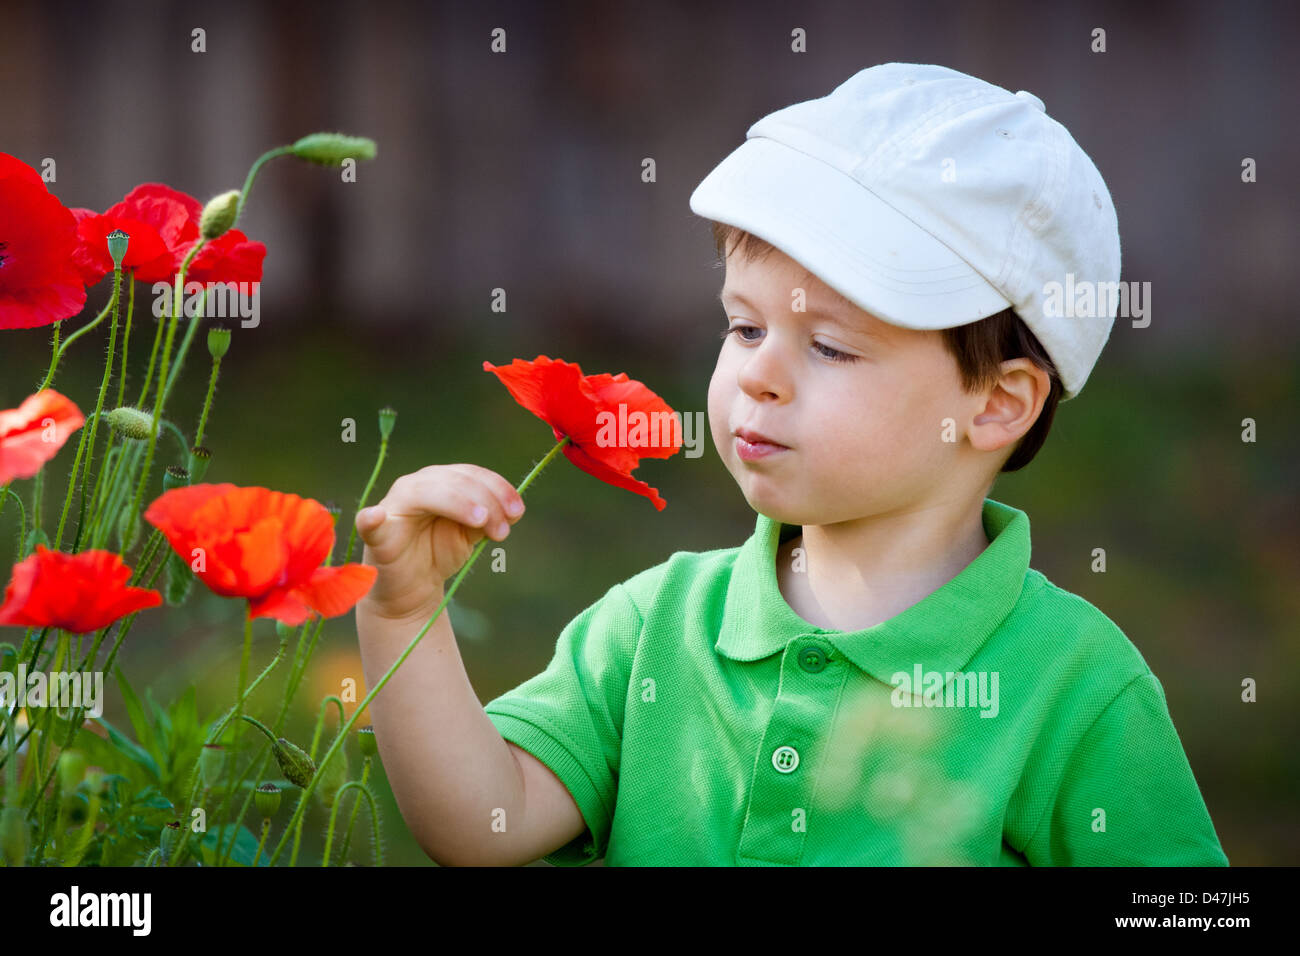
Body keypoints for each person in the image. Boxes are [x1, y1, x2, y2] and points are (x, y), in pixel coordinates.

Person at [353, 63, 1228, 866]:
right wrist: (404, 615)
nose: (759, 375)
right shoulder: (654, 628)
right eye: (745, 327)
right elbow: (480, 825)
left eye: (833, 349)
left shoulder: (1076, 689)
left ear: (997, 403)